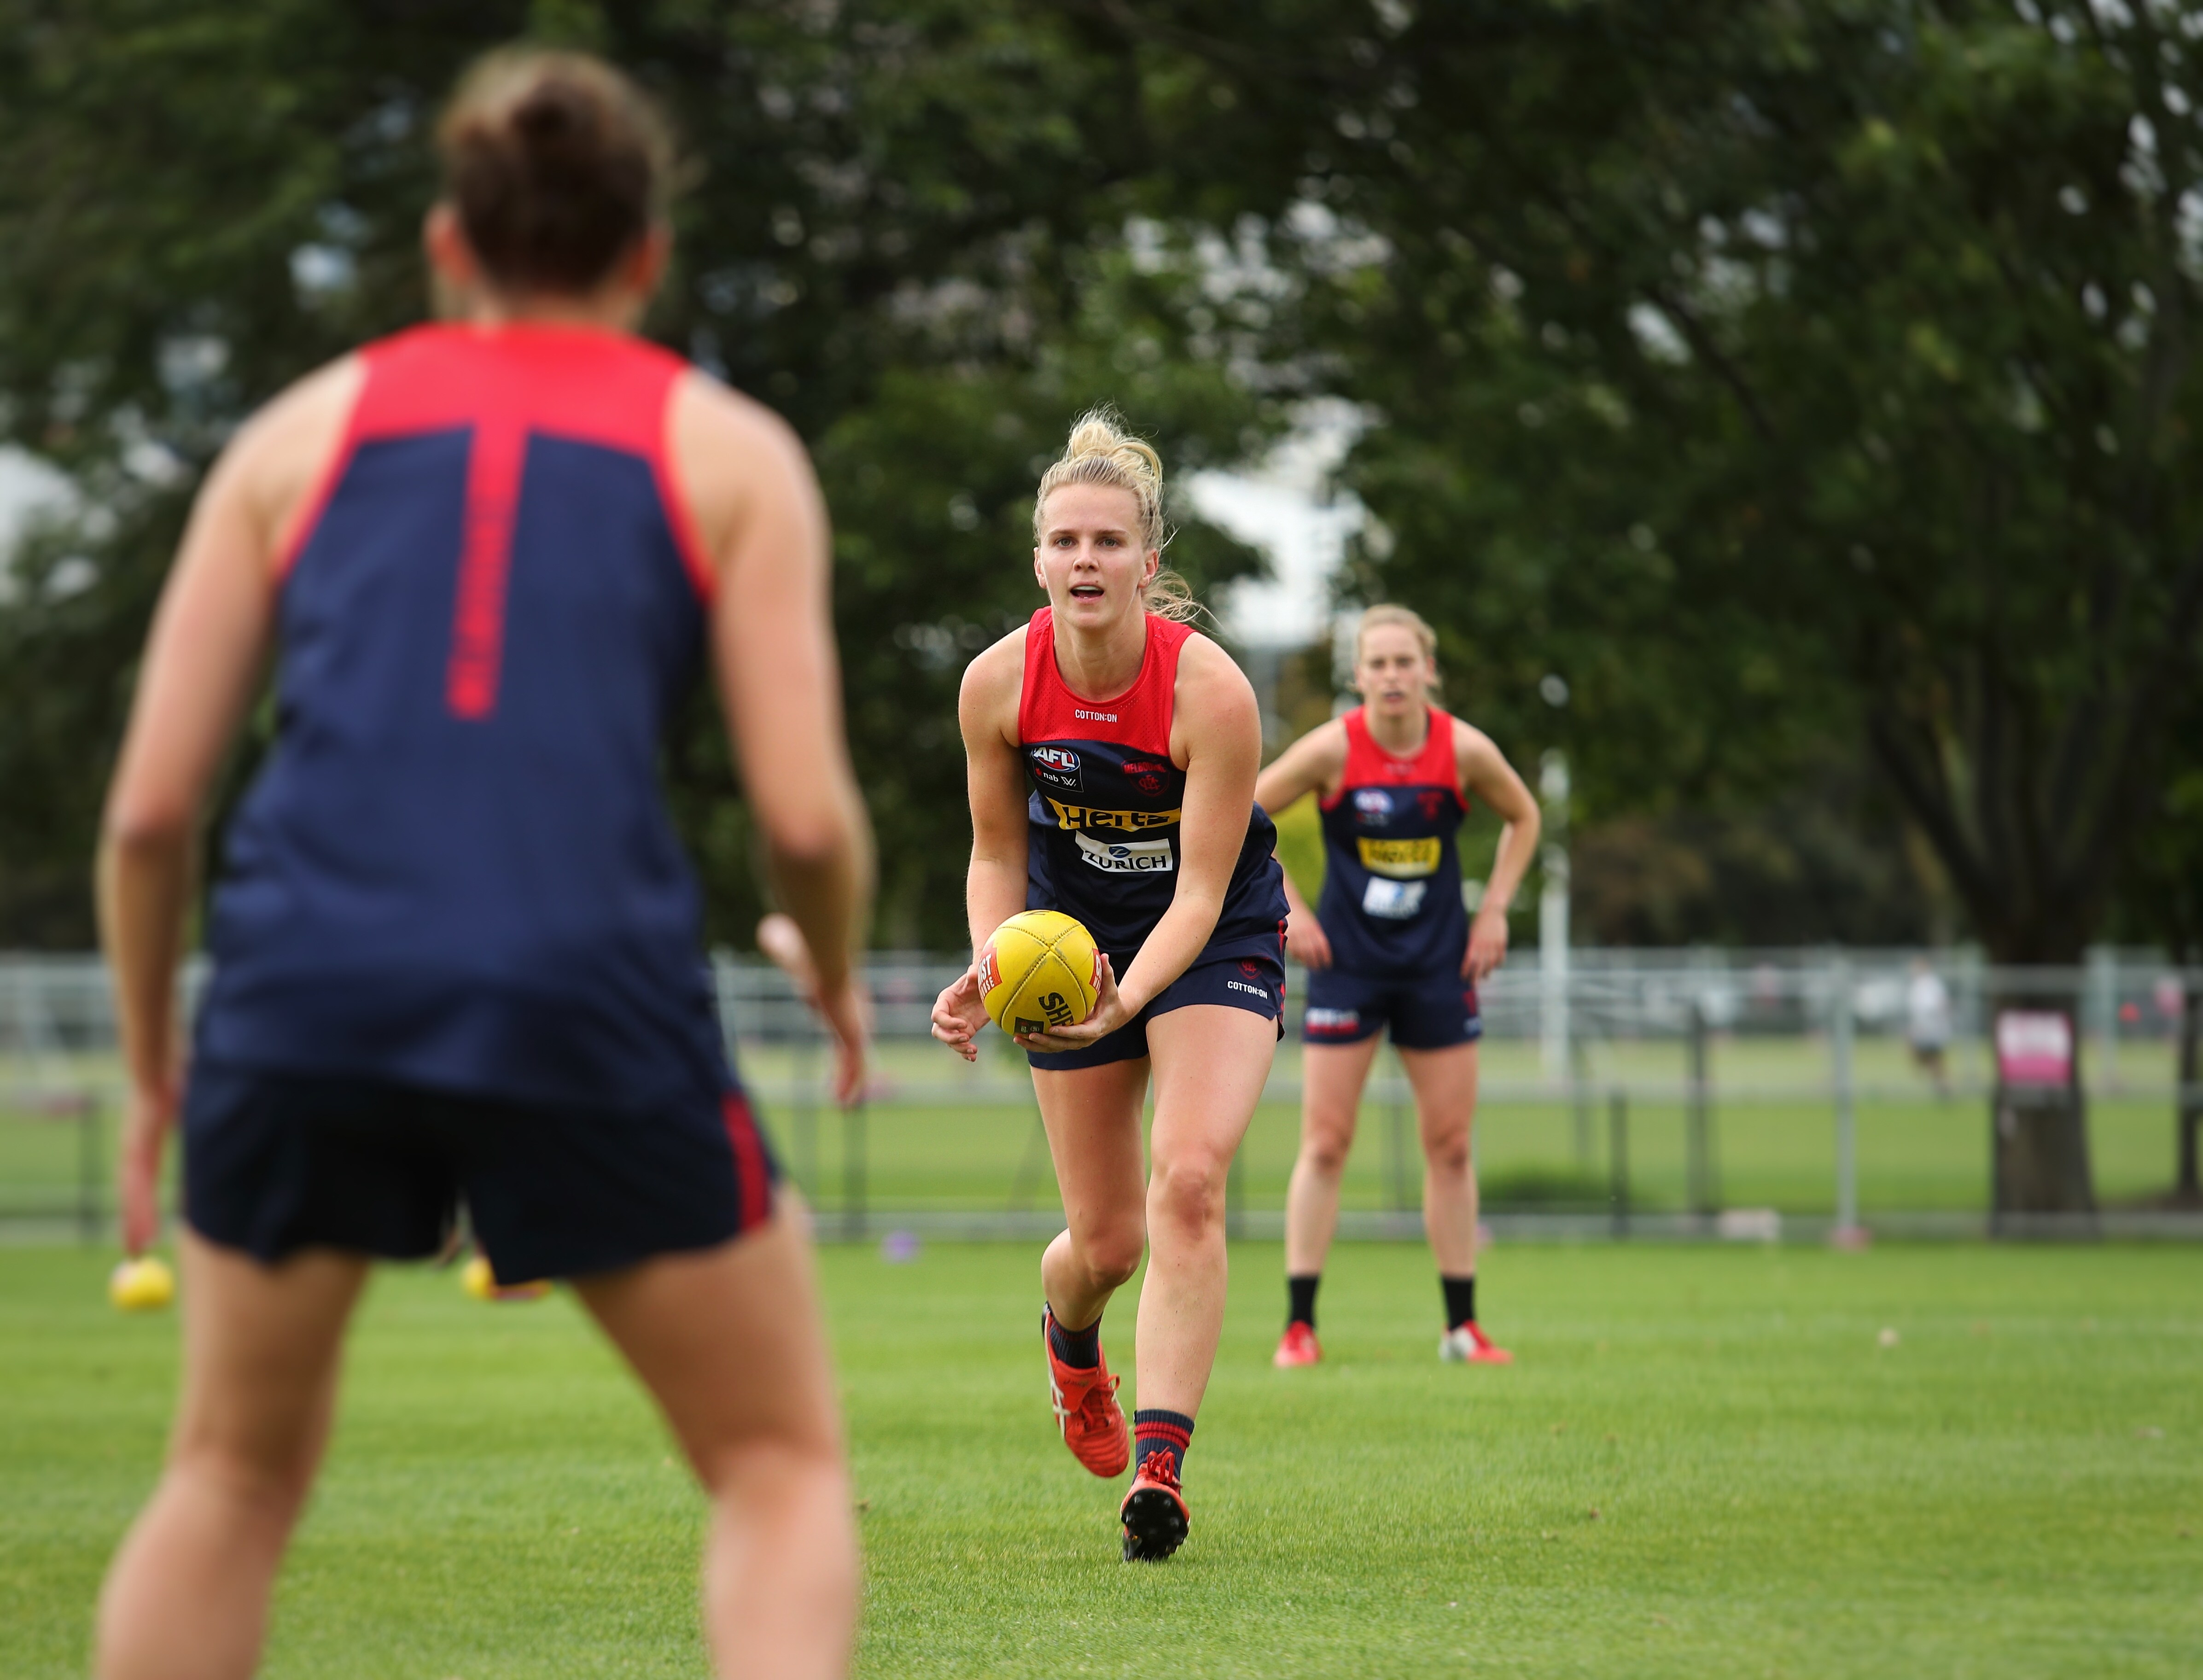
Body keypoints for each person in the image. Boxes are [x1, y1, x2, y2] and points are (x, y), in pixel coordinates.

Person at [91, 49, 869, 1680]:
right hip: (580, 986)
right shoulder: (730, 456)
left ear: (449, 245)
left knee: (227, 1478)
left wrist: (161, 1068)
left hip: (301, 990)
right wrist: (844, 977)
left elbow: (151, 815)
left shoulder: (295, 437)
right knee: (777, 1467)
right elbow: (803, 823)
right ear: (647, 258)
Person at [929, 413, 1287, 1562]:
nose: (1085, 559)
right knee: (1106, 1244)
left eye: (1108, 541)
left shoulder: (1209, 693)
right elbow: (994, 853)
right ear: (1037, 560)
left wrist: (1130, 998)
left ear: (1147, 558)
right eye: (1063, 540)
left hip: (1211, 933)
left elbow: (1196, 892)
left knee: (1188, 1179)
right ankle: (1072, 1345)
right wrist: (996, 962)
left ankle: (1160, 1465)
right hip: (1068, 941)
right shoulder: (996, 685)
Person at [1254, 606, 1540, 1369]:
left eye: (1403, 662)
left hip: (1439, 965)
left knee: (1448, 1145)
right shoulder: (1331, 750)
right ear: (1357, 676)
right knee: (1324, 1142)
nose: (1389, 675)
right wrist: (1292, 909)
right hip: (1347, 964)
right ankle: (1298, 1326)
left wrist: (1493, 913)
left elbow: (1524, 816)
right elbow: (1242, 814)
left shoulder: (1461, 749)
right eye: (1375, 663)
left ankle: (1460, 1328)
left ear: (1427, 671)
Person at [1906, 958, 1953, 1098]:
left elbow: (1935, 1006)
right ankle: (1942, 1085)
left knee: (1932, 1058)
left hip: (1931, 1029)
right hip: (1925, 1028)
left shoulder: (1931, 984)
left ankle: (1943, 1086)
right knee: (1929, 1058)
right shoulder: (1920, 985)